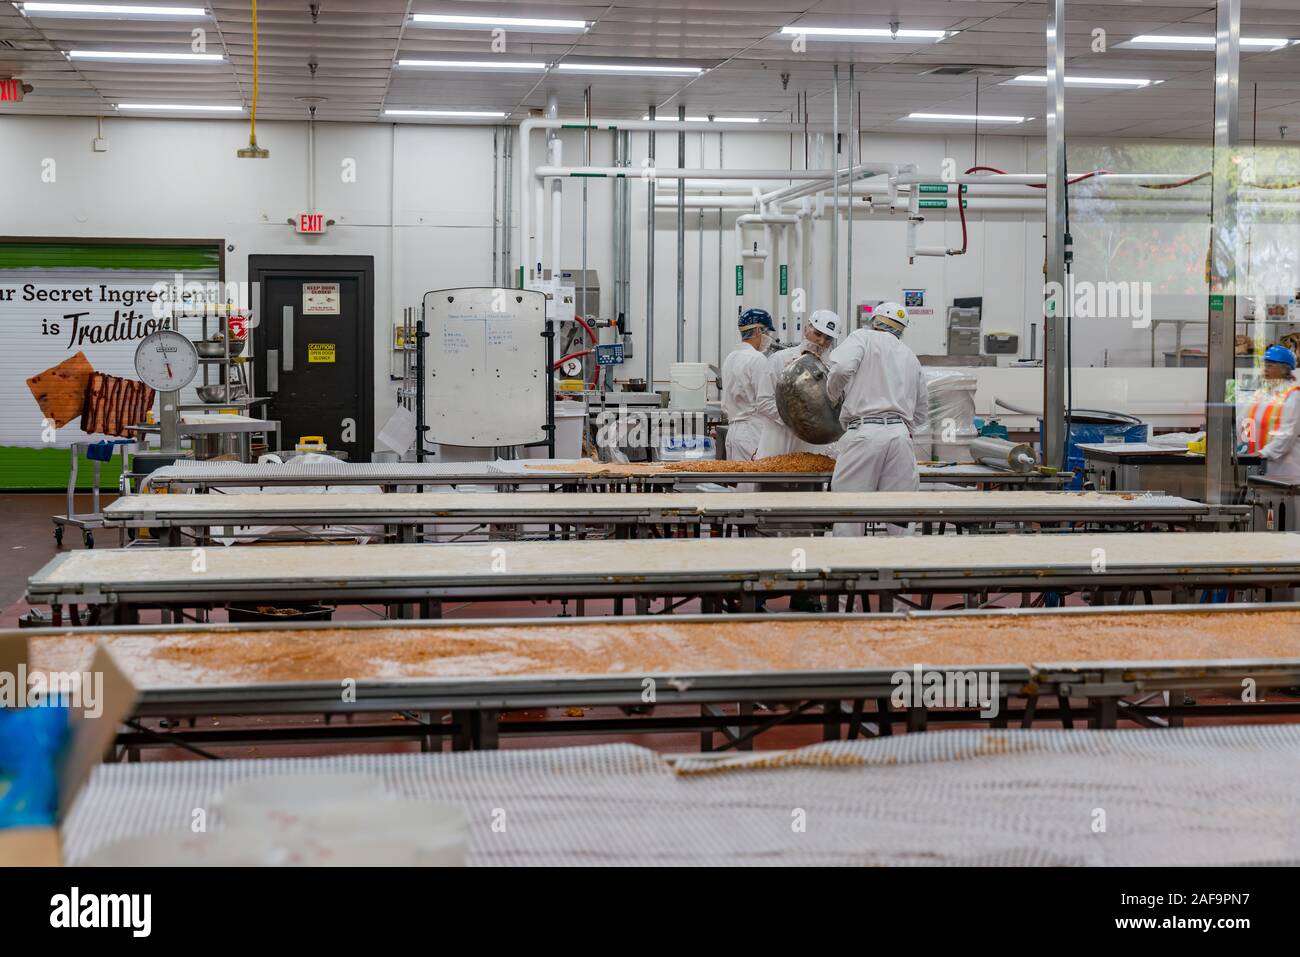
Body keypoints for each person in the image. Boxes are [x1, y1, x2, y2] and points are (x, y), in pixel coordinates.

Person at [825, 301, 929, 536]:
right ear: (902, 330)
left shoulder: (863, 337)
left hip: (864, 433)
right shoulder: (910, 356)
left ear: (874, 321)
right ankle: (897, 570)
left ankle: (849, 571)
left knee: (849, 514)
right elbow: (922, 409)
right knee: (900, 517)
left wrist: (832, 395)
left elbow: (840, 369)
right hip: (900, 437)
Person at [754, 309, 842, 460]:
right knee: (774, 482)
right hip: (778, 442)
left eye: (828, 339)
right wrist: (797, 419)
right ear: (806, 329)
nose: (821, 342)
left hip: (812, 448)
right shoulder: (779, 360)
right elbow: (763, 402)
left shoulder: (833, 369)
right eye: (818, 334)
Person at [719, 309, 774, 461]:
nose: (768, 338)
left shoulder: (730, 357)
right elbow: (765, 402)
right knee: (752, 483)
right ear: (758, 331)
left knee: (738, 482)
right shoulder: (757, 359)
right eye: (767, 333)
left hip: (733, 433)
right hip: (752, 432)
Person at [1243, 344, 1300, 484]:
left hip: (1285, 466)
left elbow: (1287, 433)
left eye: (1270, 365)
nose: (1265, 369)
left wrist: (1264, 453)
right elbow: (1244, 419)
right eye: (1265, 365)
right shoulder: (1262, 393)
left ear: (1284, 369)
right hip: (1258, 463)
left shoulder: (1293, 395)